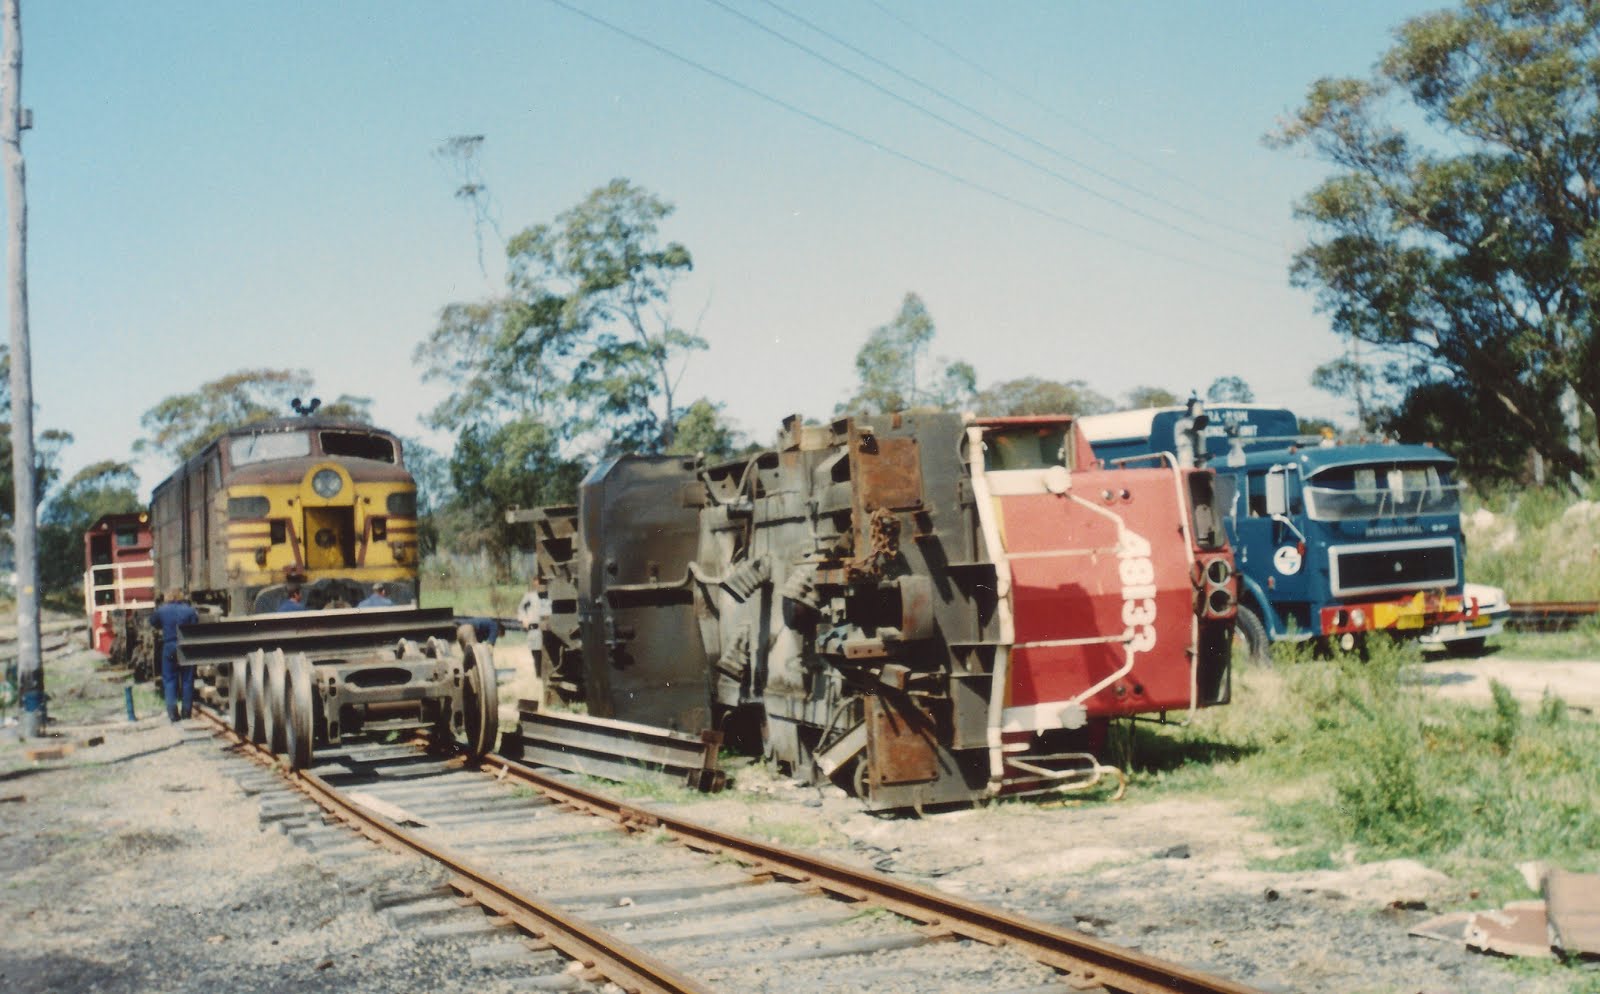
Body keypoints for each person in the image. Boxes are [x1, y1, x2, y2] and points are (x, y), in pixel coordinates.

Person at [149, 588, 200, 722]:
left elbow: (153, 622)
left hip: (169, 647)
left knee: (169, 679)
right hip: (185, 647)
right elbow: (195, 625)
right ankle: (186, 712)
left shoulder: (162, 610)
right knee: (187, 680)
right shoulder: (189, 610)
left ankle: (172, 714)